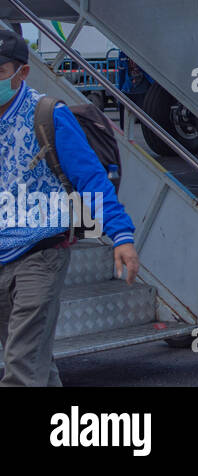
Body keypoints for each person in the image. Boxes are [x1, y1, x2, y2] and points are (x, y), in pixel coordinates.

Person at [0, 28, 139, 386]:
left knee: (19, 364)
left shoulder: (48, 115)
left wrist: (121, 235)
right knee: (33, 362)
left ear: (22, 73)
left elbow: (91, 179)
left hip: (41, 253)